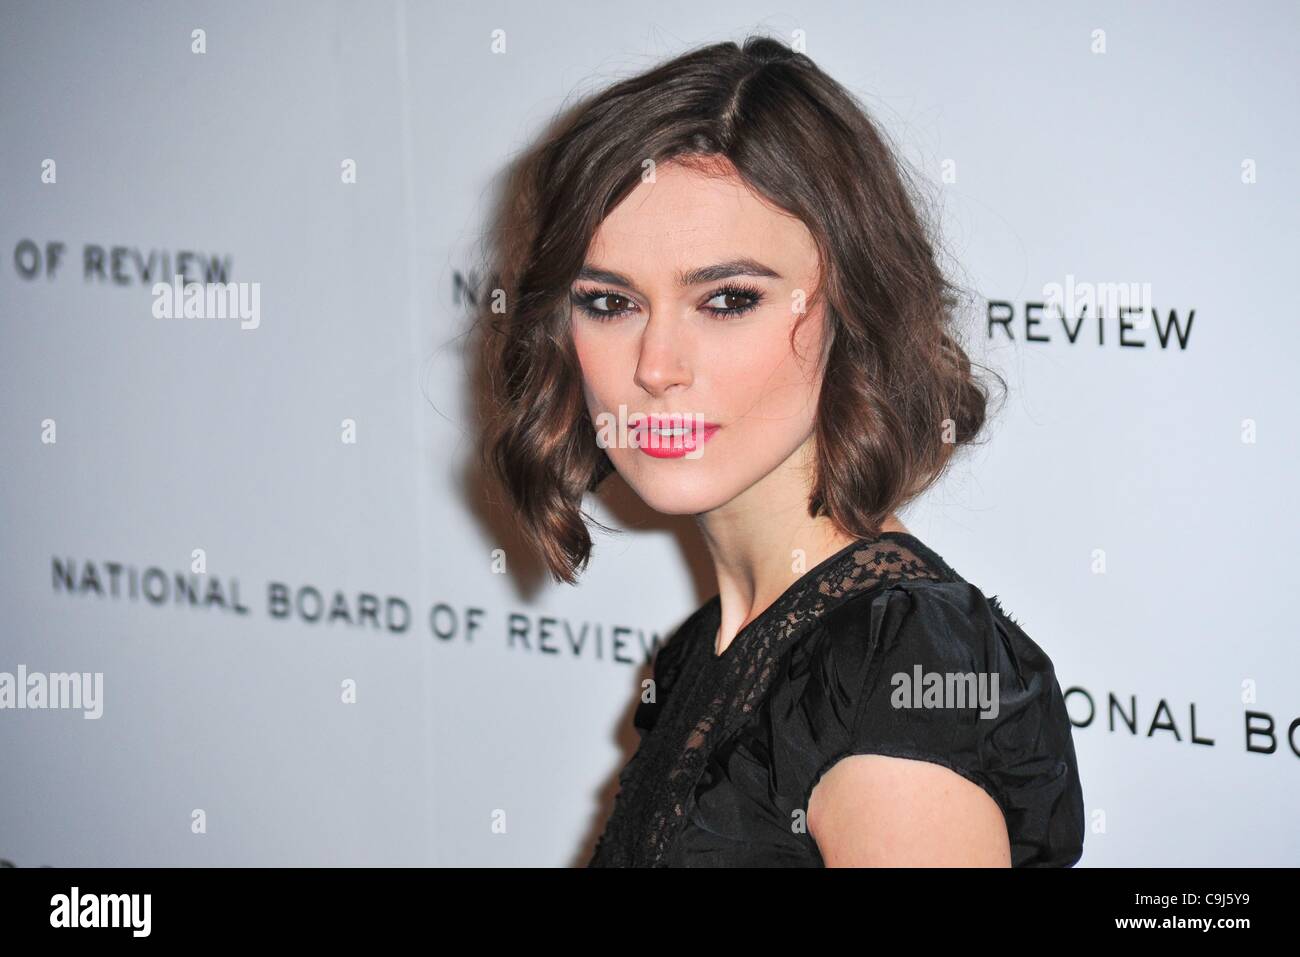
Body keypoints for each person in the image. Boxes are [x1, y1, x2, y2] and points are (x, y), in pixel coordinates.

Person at [476, 34, 1085, 867]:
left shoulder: (891, 683)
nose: (655, 366)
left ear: (853, 308)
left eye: (728, 299)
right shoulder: (720, 645)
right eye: (610, 302)